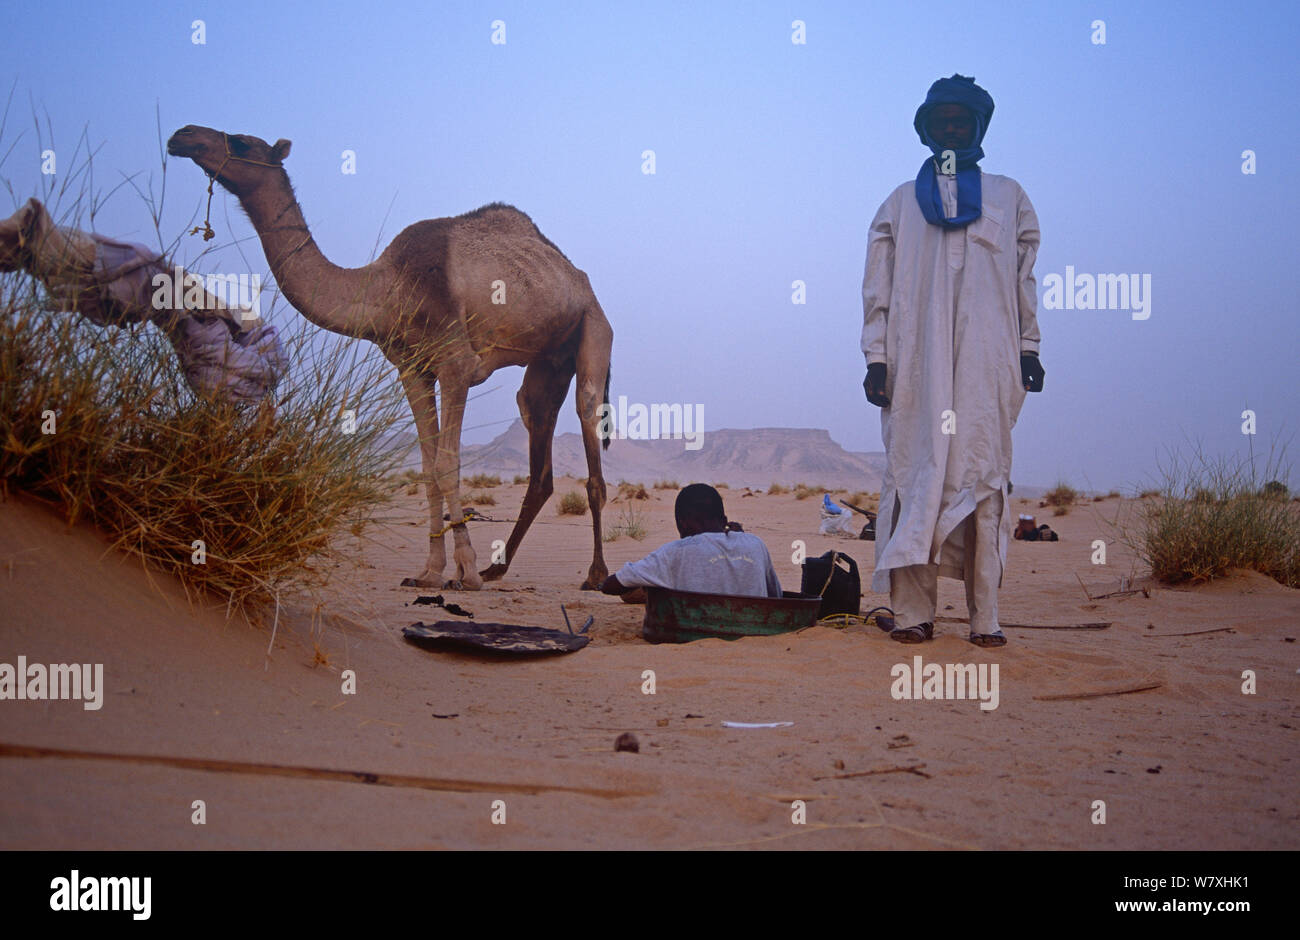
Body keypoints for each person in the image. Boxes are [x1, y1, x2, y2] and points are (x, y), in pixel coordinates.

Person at [860, 74, 1045, 648]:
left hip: (987, 369)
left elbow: (1024, 281)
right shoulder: (896, 204)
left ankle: (984, 618)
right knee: (917, 479)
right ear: (926, 128)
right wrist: (877, 358)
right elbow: (877, 289)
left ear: (979, 125)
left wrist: (1029, 348)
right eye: (942, 118)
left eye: (962, 118)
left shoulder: (1009, 196)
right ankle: (914, 615)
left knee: (982, 482)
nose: (952, 126)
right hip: (916, 370)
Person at [601, 483, 782, 598]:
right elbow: (775, 595)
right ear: (724, 520)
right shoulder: (755, 543)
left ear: (683, 523)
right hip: (755, 630)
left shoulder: (676, 552)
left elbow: (611, 585)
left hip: (696, 632)